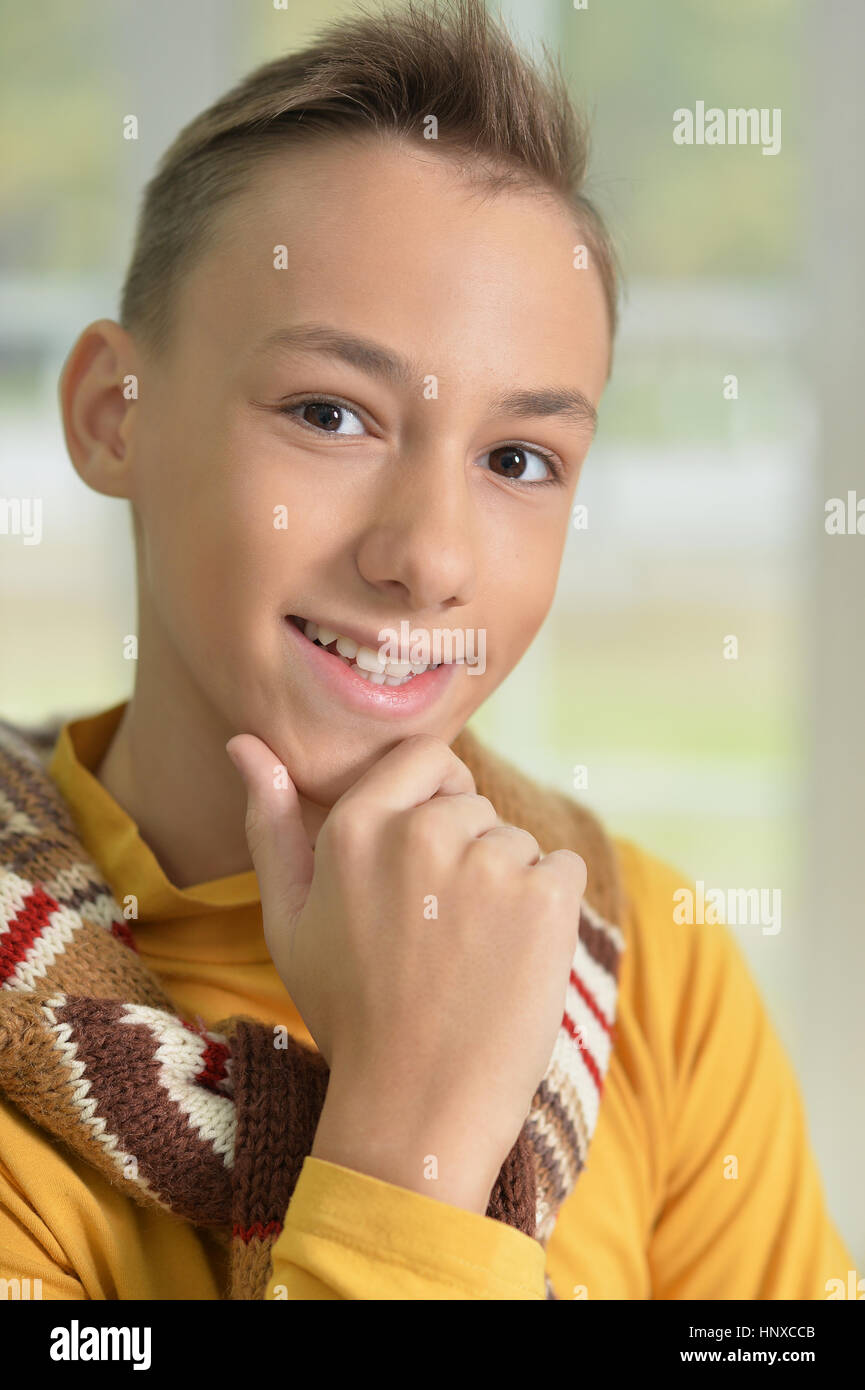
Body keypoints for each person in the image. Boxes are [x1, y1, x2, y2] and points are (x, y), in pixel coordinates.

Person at [0, 0, 853, 1300]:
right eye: (331, 413)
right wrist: (409, 1136)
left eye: (519, 458)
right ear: (116, 416)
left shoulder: (656, 970)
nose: (430, 556)